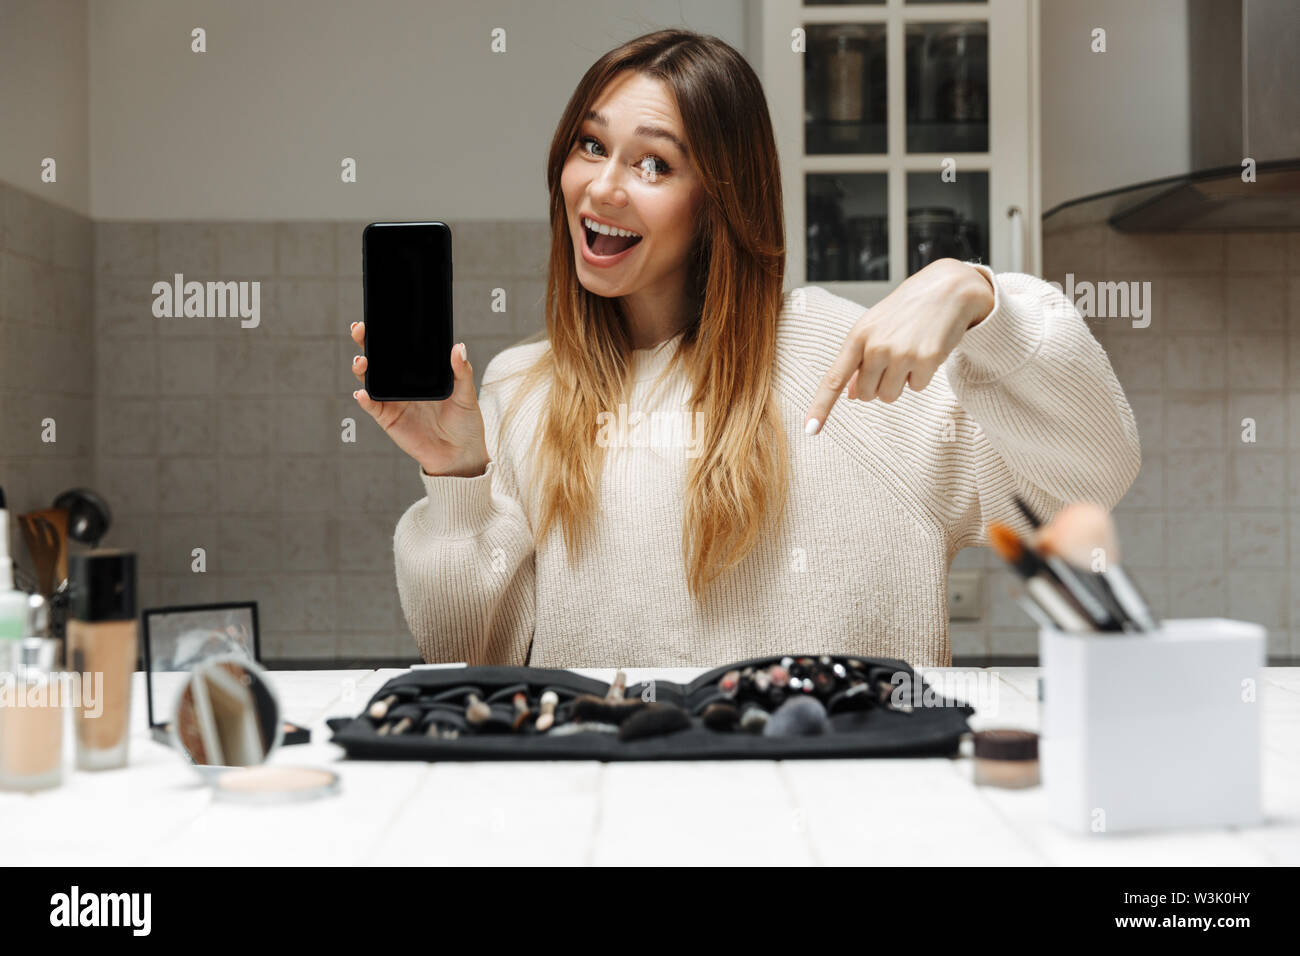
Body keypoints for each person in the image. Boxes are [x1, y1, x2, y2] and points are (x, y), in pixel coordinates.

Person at [347, 29, 1140, 668]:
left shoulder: (843, 361)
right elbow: (467, 663)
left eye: (654, 162)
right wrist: (456, 479)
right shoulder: (521, 390)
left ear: (721, 199)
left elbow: (1086, 478)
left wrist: (983, 299)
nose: (603, 188)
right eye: (590, 147)